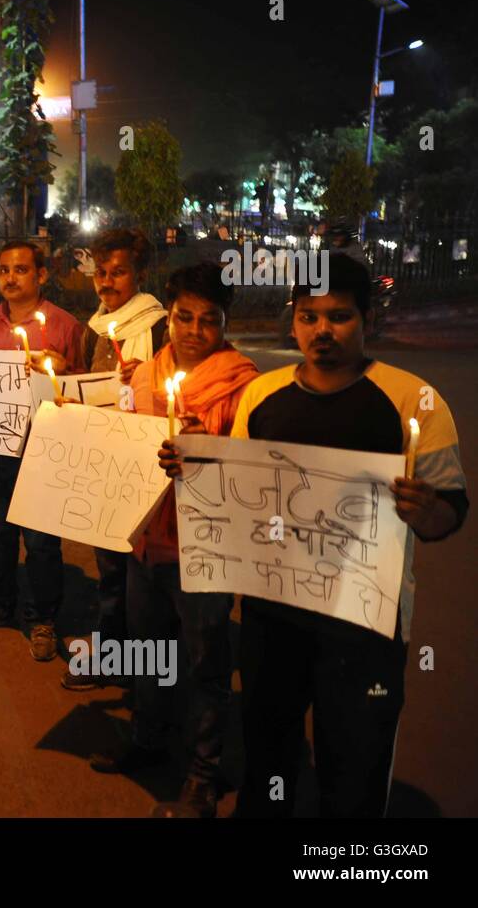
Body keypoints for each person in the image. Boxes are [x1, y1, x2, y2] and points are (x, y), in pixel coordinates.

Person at [167, 254, 468, 817]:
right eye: (308, 316)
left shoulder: (413, 402)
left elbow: (450, 511)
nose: (321, 331)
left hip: (365, 626)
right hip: (272, 615)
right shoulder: (264, 396)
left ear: (368, 320)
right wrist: (194, 466)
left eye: (339, 317)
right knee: (269, 752)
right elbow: (239, 494)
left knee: (354, 763)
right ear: (294, 318)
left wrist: (425, 509)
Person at [90, 263, 258, 819]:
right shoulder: (143, 374)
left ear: (224, 323)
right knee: (149, 650)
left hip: (206, 548)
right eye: (184, 317)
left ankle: (204, 772)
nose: (193, 330)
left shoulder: (243, 384)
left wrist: (206, 448)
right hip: (144, 543)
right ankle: (148, 739)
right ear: (170, 316)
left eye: (208, 320)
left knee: (208, 663)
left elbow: (255, 467)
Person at [0, 240, 84, 659]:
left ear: (41, 275)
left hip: (44, 447)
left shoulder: (64, 327)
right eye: (3, 270)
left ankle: (42, 618)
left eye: (21, 270)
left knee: (43, 539)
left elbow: (86, 391)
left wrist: (63, 373)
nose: (10, 278)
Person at [65, 227, 168, 690]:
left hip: (151, 465)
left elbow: (178, 392)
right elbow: (89, 386)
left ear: (140, 274)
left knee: (146, 577)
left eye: (118, 273)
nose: (106, 282)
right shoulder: (95, 329)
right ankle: (112, 656)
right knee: (109, 568)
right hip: (106, 463)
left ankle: (147, 670)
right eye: (100, 273)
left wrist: (147, 377)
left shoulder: (161, 326)